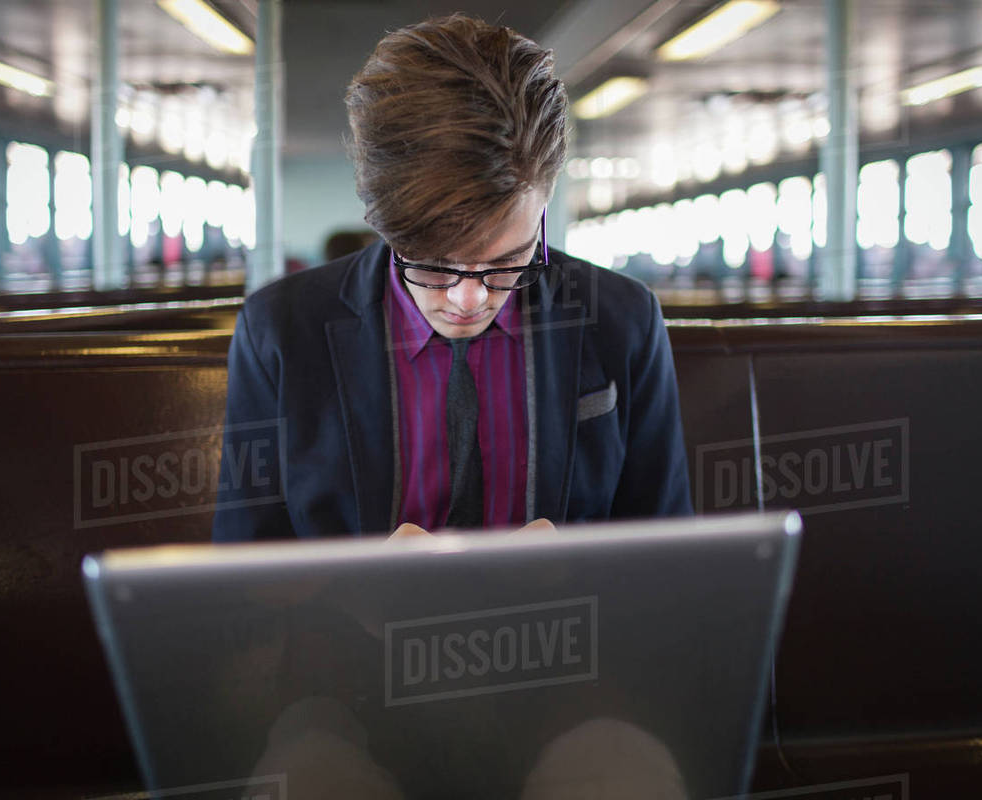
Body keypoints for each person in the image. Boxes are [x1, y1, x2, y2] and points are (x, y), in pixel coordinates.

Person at [212, 14, 692, 542]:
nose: (470, 298)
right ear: (382, 219)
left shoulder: (625, 320)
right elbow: (247, 573)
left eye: (511, 259)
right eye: (433, 263)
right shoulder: (278, 331)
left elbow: (665, 550)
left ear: (548, 200)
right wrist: (357, 593)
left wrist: (576, 576)